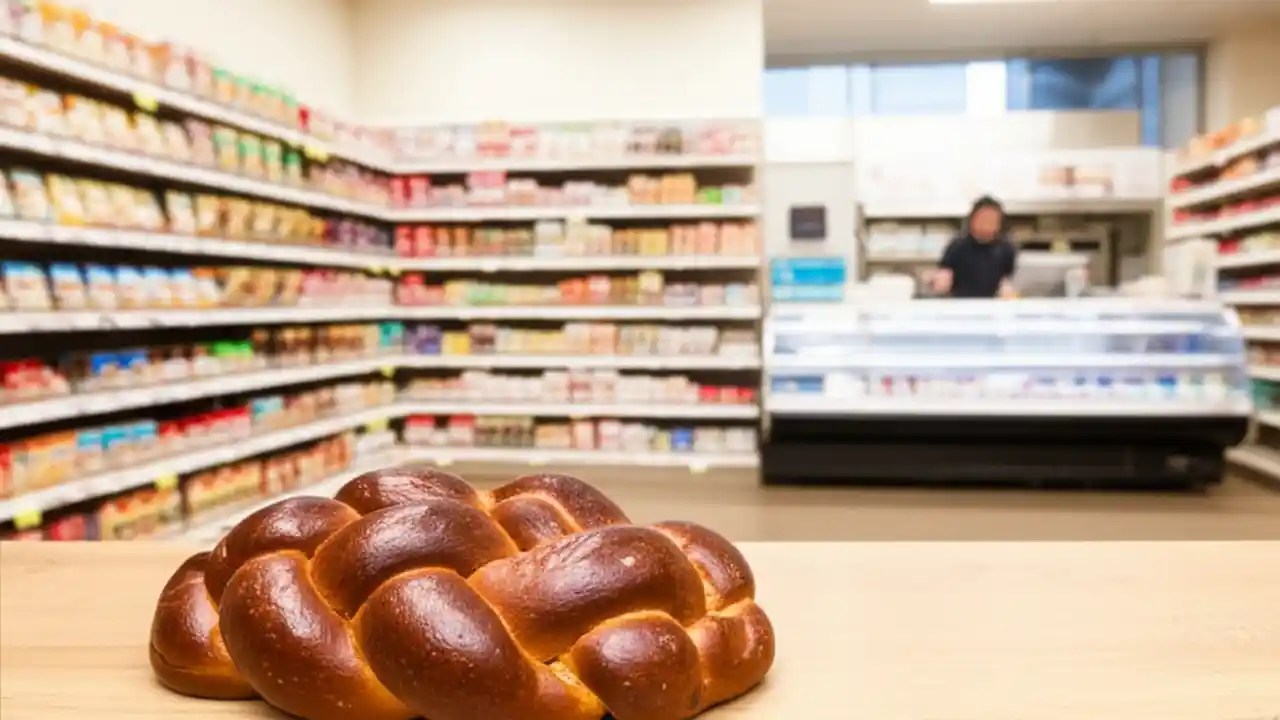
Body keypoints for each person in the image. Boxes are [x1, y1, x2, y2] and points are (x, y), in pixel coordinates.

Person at [930, 195, 1018, 298]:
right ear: (972, 220)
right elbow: (943, 274)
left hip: (994, 306)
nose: (987, 224)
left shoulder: (1006, 249)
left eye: (992, 220)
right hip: (962, 304)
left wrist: (1008, 288)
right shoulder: (958, 246)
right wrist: (939, 282)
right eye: (983, 219)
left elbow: (1011, 277)